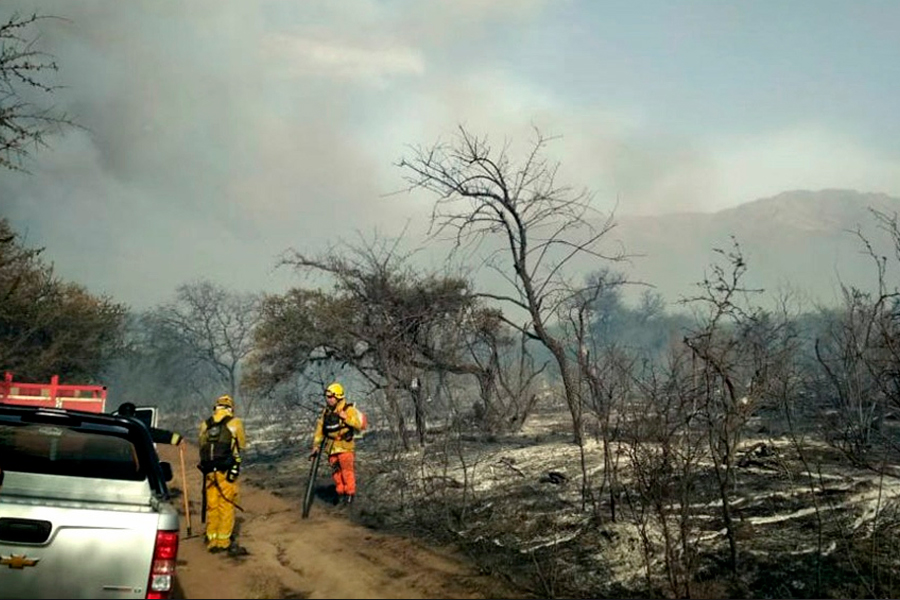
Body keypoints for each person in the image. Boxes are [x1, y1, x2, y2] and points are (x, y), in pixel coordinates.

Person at [198, 394, 247, 554]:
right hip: (226, 471)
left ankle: (212, 539)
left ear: (216, 407)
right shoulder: (235, 422)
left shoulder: (205, 424)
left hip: (208, 471)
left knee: (212, 505)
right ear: (230, 408)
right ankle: (223, 541)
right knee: (226, 504)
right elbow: (242, 444)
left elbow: (201, 445)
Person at [310, 382, 365, 506]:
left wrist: (346, 418)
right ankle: (340, 494)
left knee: (347, 472)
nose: (328, 399)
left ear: (338, 397)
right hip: (331, 448)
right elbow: (320, 429)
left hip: (345, 447)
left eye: (331, 397)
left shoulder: (348, 409)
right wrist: (316, 445)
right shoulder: (326, 412)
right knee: (336, 473)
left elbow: (359, 424)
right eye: (327, 397)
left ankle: (350, 495)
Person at [115, 402, 183, 446]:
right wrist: (177, 439)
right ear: (134, 414)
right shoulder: (136, 429)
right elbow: (157, 435)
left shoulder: (112, 427)